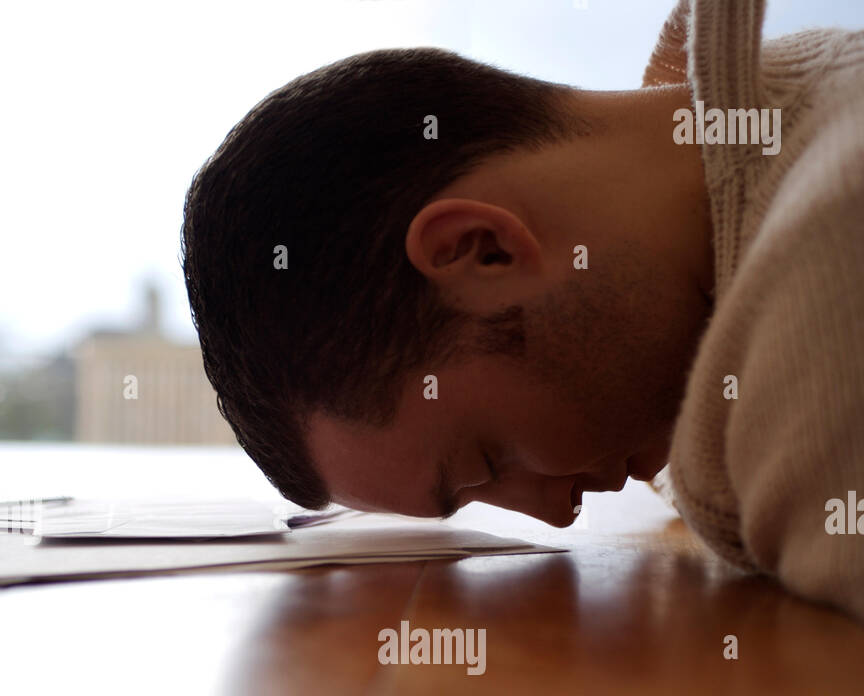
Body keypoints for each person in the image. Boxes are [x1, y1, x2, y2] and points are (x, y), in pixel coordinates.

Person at [182, 0, 864, 620]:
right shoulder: (774, 110)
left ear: (484, 250)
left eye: (486, 461)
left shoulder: (826, 295)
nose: (558, 513)